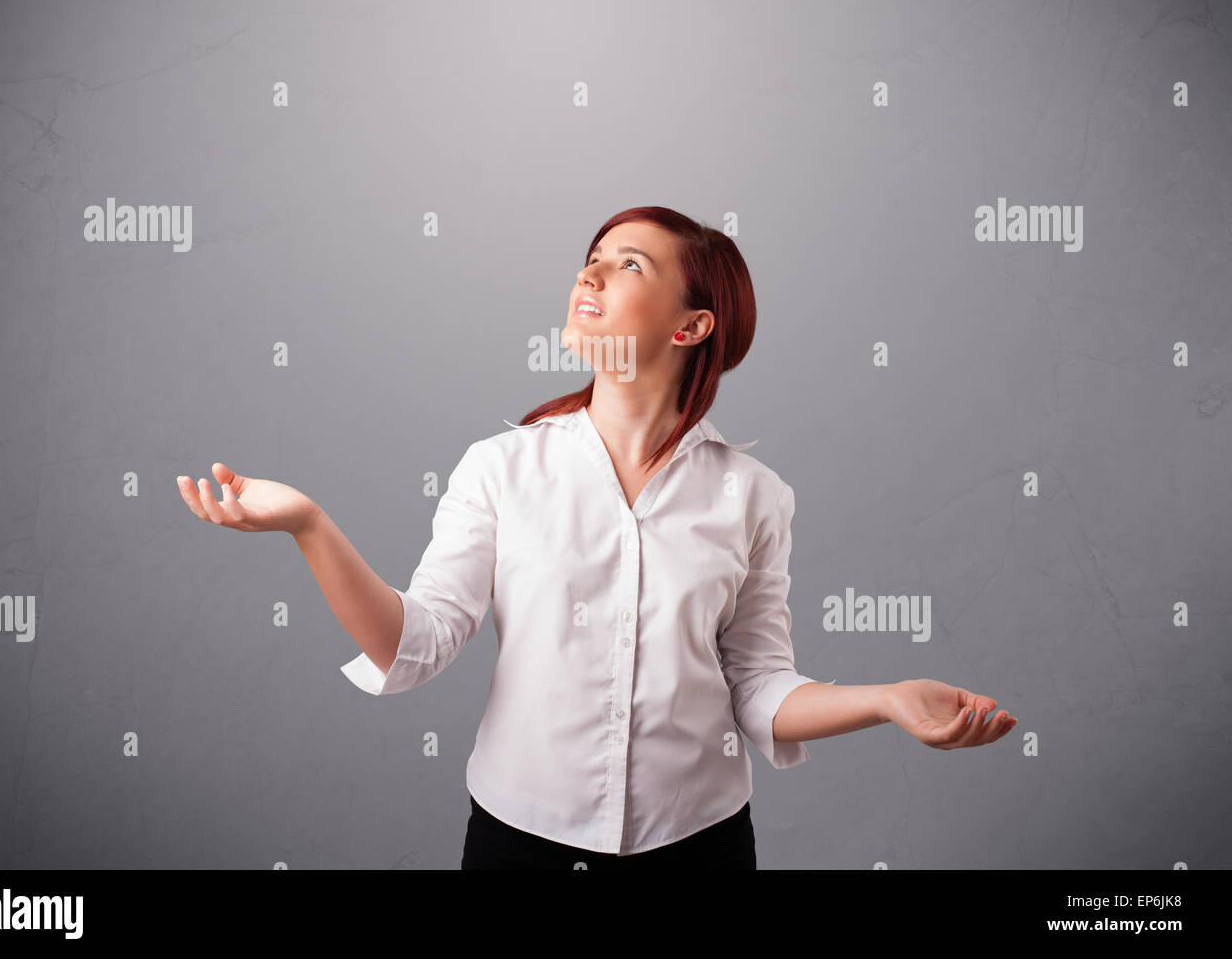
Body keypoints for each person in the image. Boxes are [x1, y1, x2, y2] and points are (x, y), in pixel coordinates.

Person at [176, 205, 1017, 870]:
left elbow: (758, 688)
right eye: (594, 256)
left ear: (690, 326)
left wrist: (884, 698)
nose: (592, 270)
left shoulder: (755, 496)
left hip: (700, 850)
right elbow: (414, 644)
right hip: (519, 847)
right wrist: (308, 525)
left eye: (629, 264)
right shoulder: (500, 468)